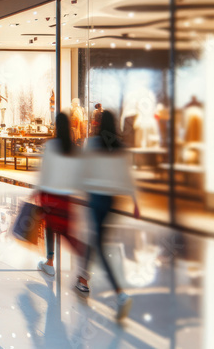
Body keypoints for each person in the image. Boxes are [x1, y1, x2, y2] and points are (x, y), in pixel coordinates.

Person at [79, 110, 140, 320]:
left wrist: (80, 190)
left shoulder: (93, 144)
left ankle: (120, 293)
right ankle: (83, 280)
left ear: (98, 123)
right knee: (95, 239)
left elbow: (84, 171)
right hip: (111, 201)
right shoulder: (120, 147)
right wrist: (135, 202)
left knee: (99, 244)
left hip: (95, 198)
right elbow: (127, 175)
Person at [35, 113, 89, 290]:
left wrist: (38, 191)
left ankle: (50, 263)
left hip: (50, 195)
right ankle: (83, 266)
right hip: (66, 198)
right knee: (66, 232)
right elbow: (79, 176)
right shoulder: (74, 150)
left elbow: (44, 172)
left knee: (50, 227)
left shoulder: (51, 146)